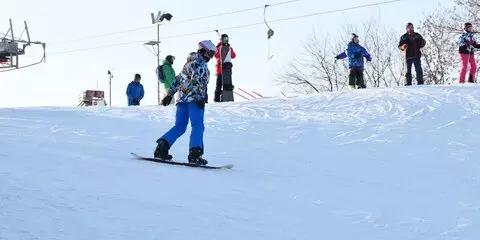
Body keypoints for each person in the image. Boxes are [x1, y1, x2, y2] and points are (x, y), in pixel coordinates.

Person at [153, 40, 217, 165]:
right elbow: (198, 81)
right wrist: (200, 97)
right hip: (194, 100)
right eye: (210, 54)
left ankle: (162, 147)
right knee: (197, 126)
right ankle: (195, 153)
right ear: (203, 51)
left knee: (180, 127)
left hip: (181, 100)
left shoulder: (187, 64)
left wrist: (169, 94)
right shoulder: (201, 65)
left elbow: (178, 80)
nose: (211, 57)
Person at [214, 34, 236, 102]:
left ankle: (224, 98)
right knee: (219, 85)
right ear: (222, 40)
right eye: (225, 39)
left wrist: (229, 50)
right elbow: (216, 55)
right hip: (220, 70)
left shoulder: (229, 48)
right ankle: (217, 100)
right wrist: (218, 47)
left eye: (227, 39)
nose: (226, 40)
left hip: (227, 71)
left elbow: (233, 56)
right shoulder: (219, 48)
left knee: (226, 85)